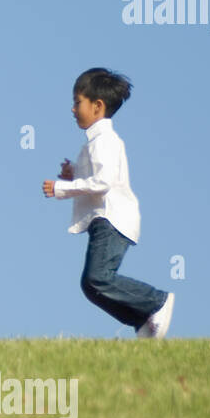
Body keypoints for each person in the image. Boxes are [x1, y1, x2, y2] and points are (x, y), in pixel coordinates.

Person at [42, 68, 175, 338]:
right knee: (91, 285)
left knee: (98, 279)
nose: (72, 109)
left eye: (77, 102)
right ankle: (143, 322)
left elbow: (103, 183)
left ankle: (156, 302)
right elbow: (97, 177)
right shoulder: (94, 143)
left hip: (111, 219)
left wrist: (62, 188)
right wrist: (74, 173)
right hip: (103, 220)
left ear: (97, 106)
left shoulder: (105, 141)